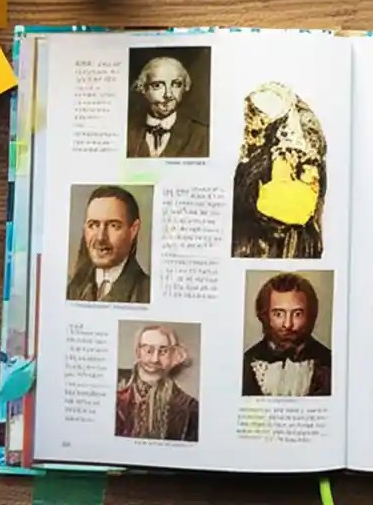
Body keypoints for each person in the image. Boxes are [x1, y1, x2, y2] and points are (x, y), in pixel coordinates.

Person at [231, 83, 326, 259]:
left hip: (277, 243)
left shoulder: (292, 155)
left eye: (257, 116)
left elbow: (294, 210)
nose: (251, 122)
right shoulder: (256, 158)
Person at [242, 272, 333, 397]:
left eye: (297, 314)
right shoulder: (245, 362)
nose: (288, 324)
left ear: (311, 315)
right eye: (278, 314)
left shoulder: (329, 362)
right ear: (265, 315)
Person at [66, 186, 150, 304]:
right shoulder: (72, 289)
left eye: (113, 225)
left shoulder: (147, 293)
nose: (101, 237)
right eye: (94, 225)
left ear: (133, 230)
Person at [116, 324, 199, 441]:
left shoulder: (189, 408)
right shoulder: (117, 401)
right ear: (138, 352)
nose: (155, 359)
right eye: (149, 350)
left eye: (163, 351)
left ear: (173, 355)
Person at [126, 55, 209, 158]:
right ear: (143, 88)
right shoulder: (127, 132)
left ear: (185, 87)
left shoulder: (202, 135)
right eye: (157, 85)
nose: (168, 94)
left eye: (176, 84)